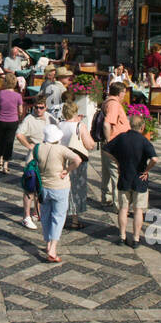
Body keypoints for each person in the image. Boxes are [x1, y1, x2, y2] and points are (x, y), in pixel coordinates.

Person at [104, 110, 156, 248]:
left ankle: (122, 236)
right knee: (138, 210)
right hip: (140, 178)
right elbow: (155, 159)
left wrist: (118, 162)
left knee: (123, 208)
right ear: (142, 127)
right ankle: (136, 238)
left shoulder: (122, 137)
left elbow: (106, 149)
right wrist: (147, 170)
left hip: (125, 176)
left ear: (129, 125)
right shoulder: (144, 140)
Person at [37, 125, 82, 263]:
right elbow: (78, 160)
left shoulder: (38, 148)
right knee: (58, 216)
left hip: (43, 186)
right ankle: (53, 246)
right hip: (60, 186)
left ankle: (47, 243)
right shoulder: (62, 149)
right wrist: (67, 170)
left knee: (45, 215)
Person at [58, 97, 97, 230]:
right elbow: (90, 144)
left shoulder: (60, 125)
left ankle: (60, 217)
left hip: (62, 159)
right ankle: (75, 220)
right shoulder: (80, 126)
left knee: (63, 189)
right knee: (75, 189)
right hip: (77, 160)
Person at [16, 98, 50, 228]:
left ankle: (37, 212)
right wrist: (29, 146)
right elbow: (19, 134)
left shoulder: (49, 117)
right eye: (36, 107)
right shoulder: (29, 119)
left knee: (41, 185)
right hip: (34, 155)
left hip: (46, 154)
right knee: (30, 186)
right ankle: (26, 216)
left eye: (41, 107)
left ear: (46, 107)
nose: (38, 110)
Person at [99, 81, 129, 207]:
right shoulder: (114, 105)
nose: (124, 96)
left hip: (108, 143)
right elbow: (107, 123)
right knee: (115, 173)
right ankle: (118, 204)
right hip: (114, 143)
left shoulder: (107, 101)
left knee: (106, 171)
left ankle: (106, 198)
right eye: (124, 93)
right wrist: (109, 141)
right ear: (120, 93)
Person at [0, 73, 24, 174]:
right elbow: (20, 111)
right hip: (12, 121)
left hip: (0, 120)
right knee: (9, 142)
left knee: (1, 139)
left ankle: (0, 159)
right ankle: (6, 164)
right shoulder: (18, 96)